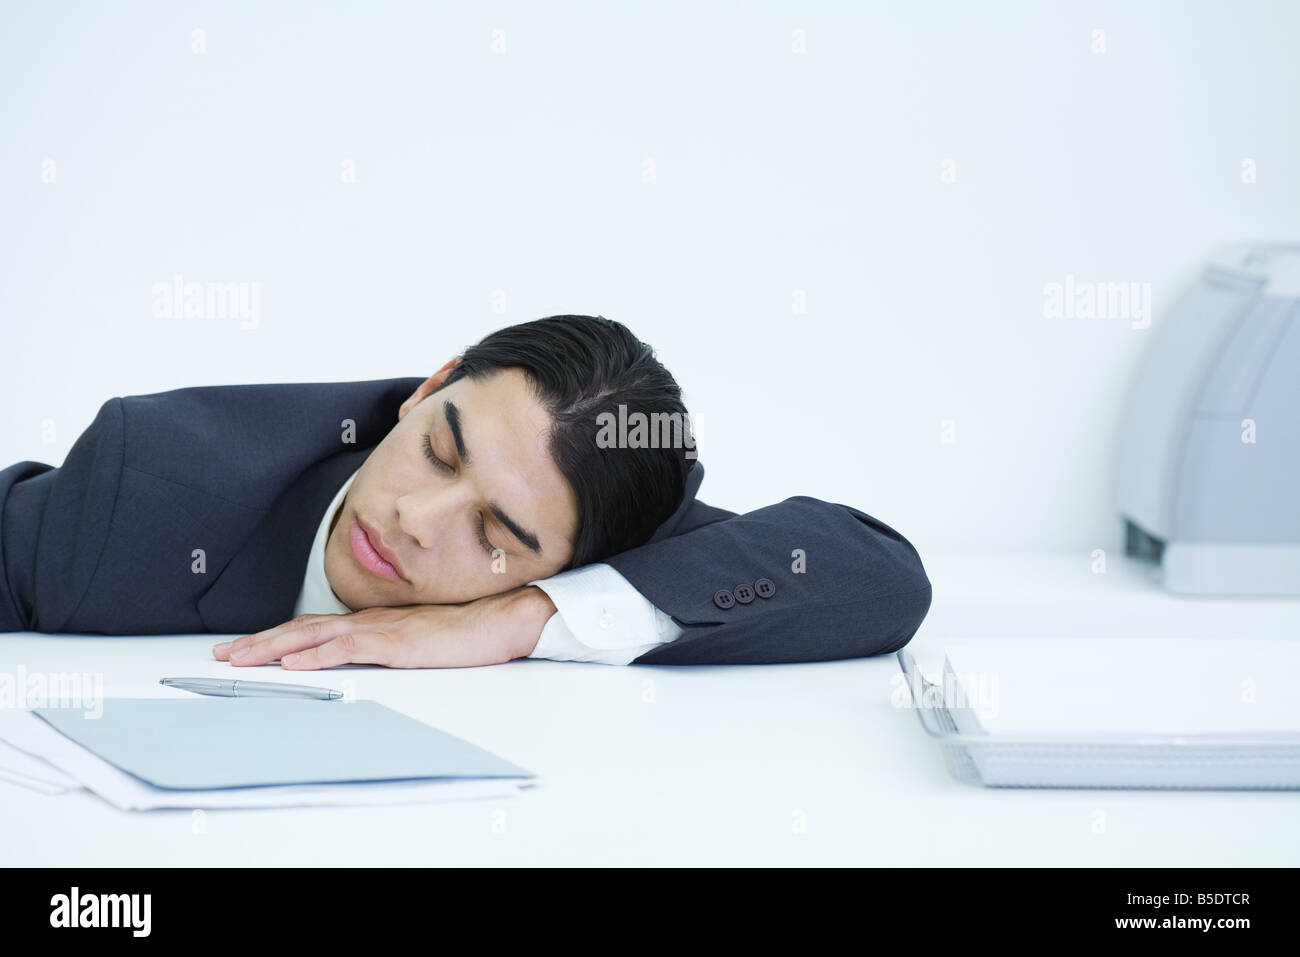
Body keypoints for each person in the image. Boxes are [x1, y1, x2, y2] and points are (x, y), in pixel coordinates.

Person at [0, 315, 932, 669]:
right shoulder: (147, 476)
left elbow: (880, 575)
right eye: (440, 449)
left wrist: (526, 616)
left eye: (496, 536)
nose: (412, 520)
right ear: (430, 385)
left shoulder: (605, 520)